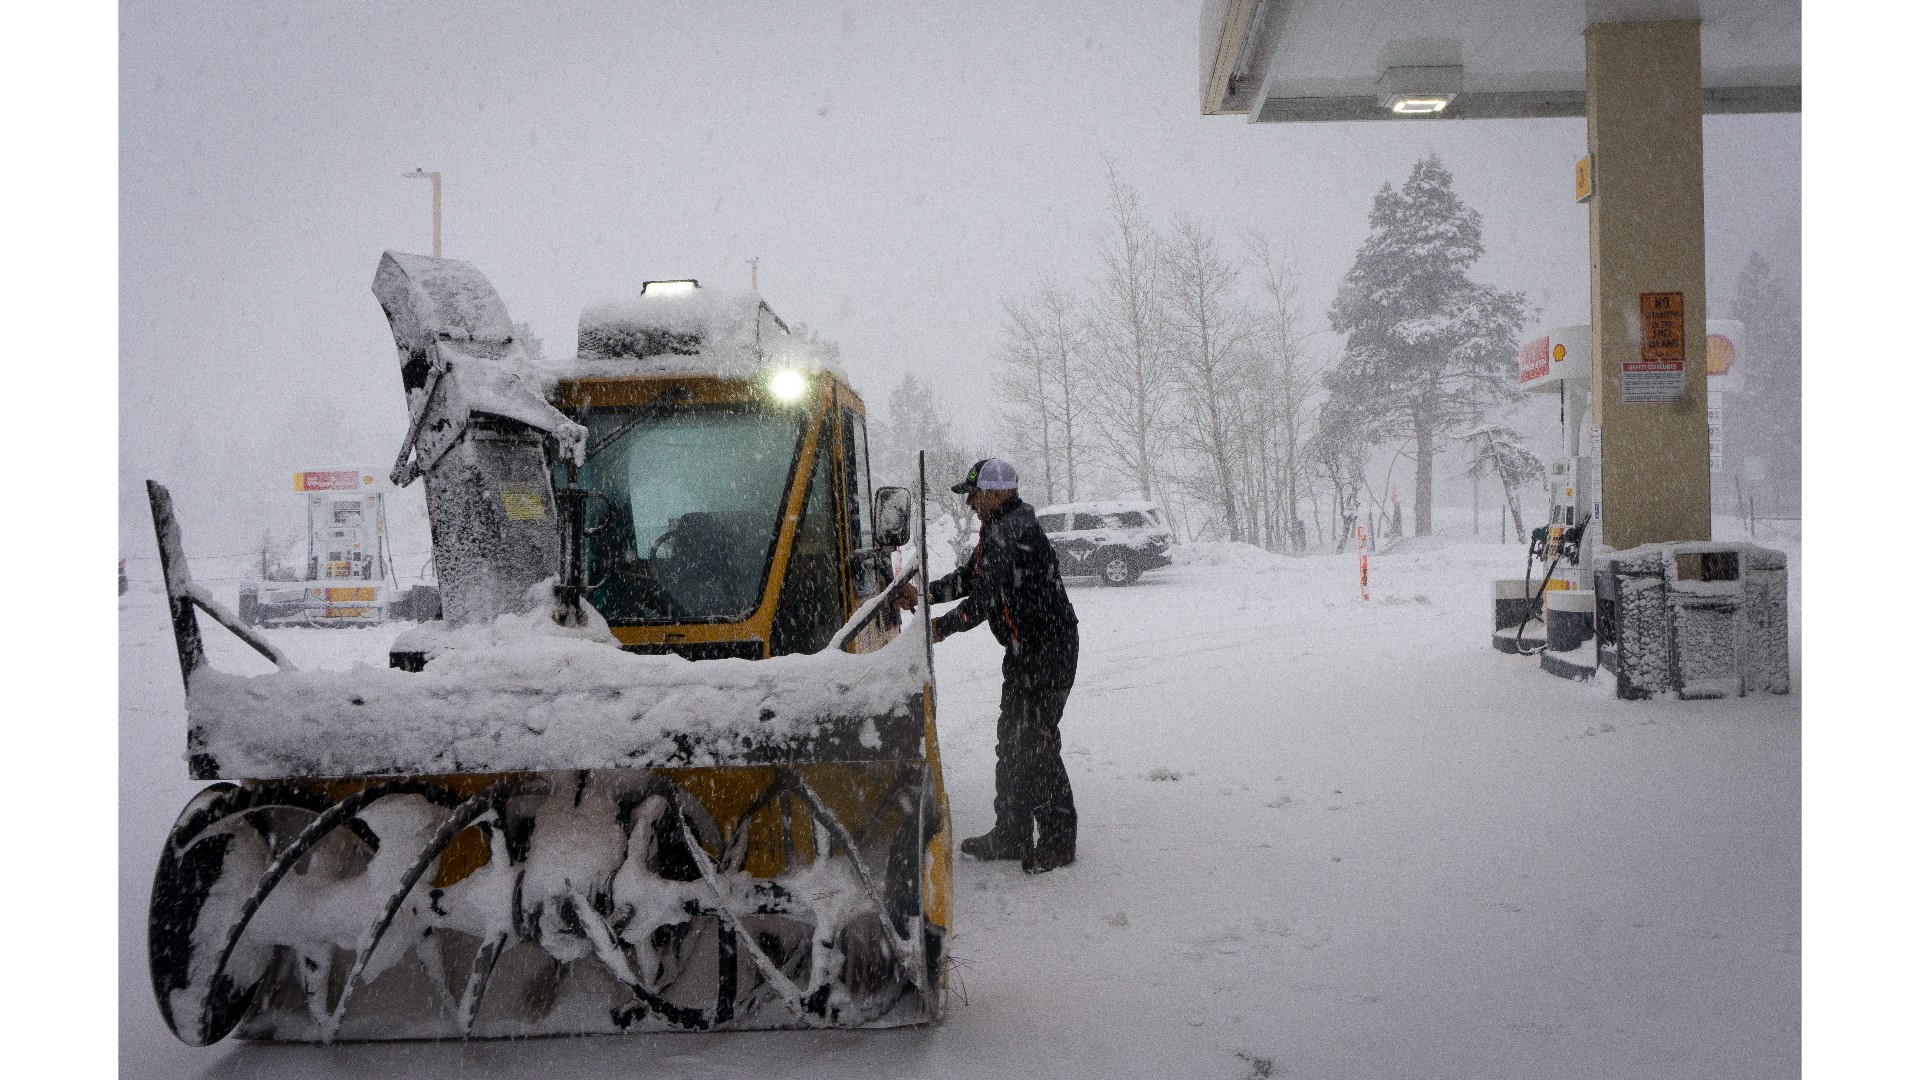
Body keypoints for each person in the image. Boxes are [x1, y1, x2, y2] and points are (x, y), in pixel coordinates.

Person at [894, 458, 1080, 873]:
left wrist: (938, 629)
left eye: (974, 495)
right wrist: (924, 593)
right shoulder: (999, 527)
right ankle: (1011, 833)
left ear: (996, 493)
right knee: (1012, 740)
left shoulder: (1012, 531)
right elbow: (971, 578)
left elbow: (984, 601)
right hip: (1024, 651)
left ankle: (1058, 840)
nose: (970, 504)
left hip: (1048, 651)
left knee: (1035, 744)